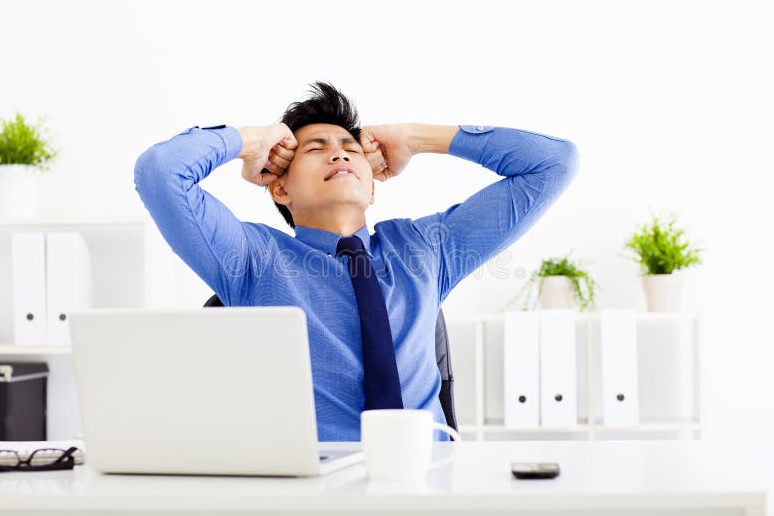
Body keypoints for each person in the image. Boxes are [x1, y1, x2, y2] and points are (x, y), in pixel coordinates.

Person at [134, 82, 579, 441]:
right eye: (314, 148)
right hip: (317, 487)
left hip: (429, 479)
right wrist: (249, 142)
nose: (340, 152)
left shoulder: (425, 248)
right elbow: (160, 171)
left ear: (372, 188)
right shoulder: (252, 259)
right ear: (280, 189)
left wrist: (417, 138)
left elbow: (554, 163)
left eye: (349, 145)